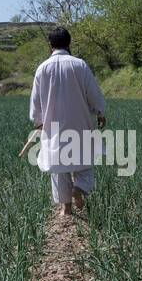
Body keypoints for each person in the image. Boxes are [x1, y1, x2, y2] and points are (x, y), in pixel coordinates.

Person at [29, 26, 106, 216]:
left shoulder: (42, 68)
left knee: (59, 168)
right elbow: (93, 92)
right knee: (84, 162)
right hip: (79, 122)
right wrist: (100, 112)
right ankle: (79, 188)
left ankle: (66, 208)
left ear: (50, 44)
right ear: (69, 43)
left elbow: (36, 99)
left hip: (53, 126)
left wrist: (37, 120)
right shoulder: (79, 65)